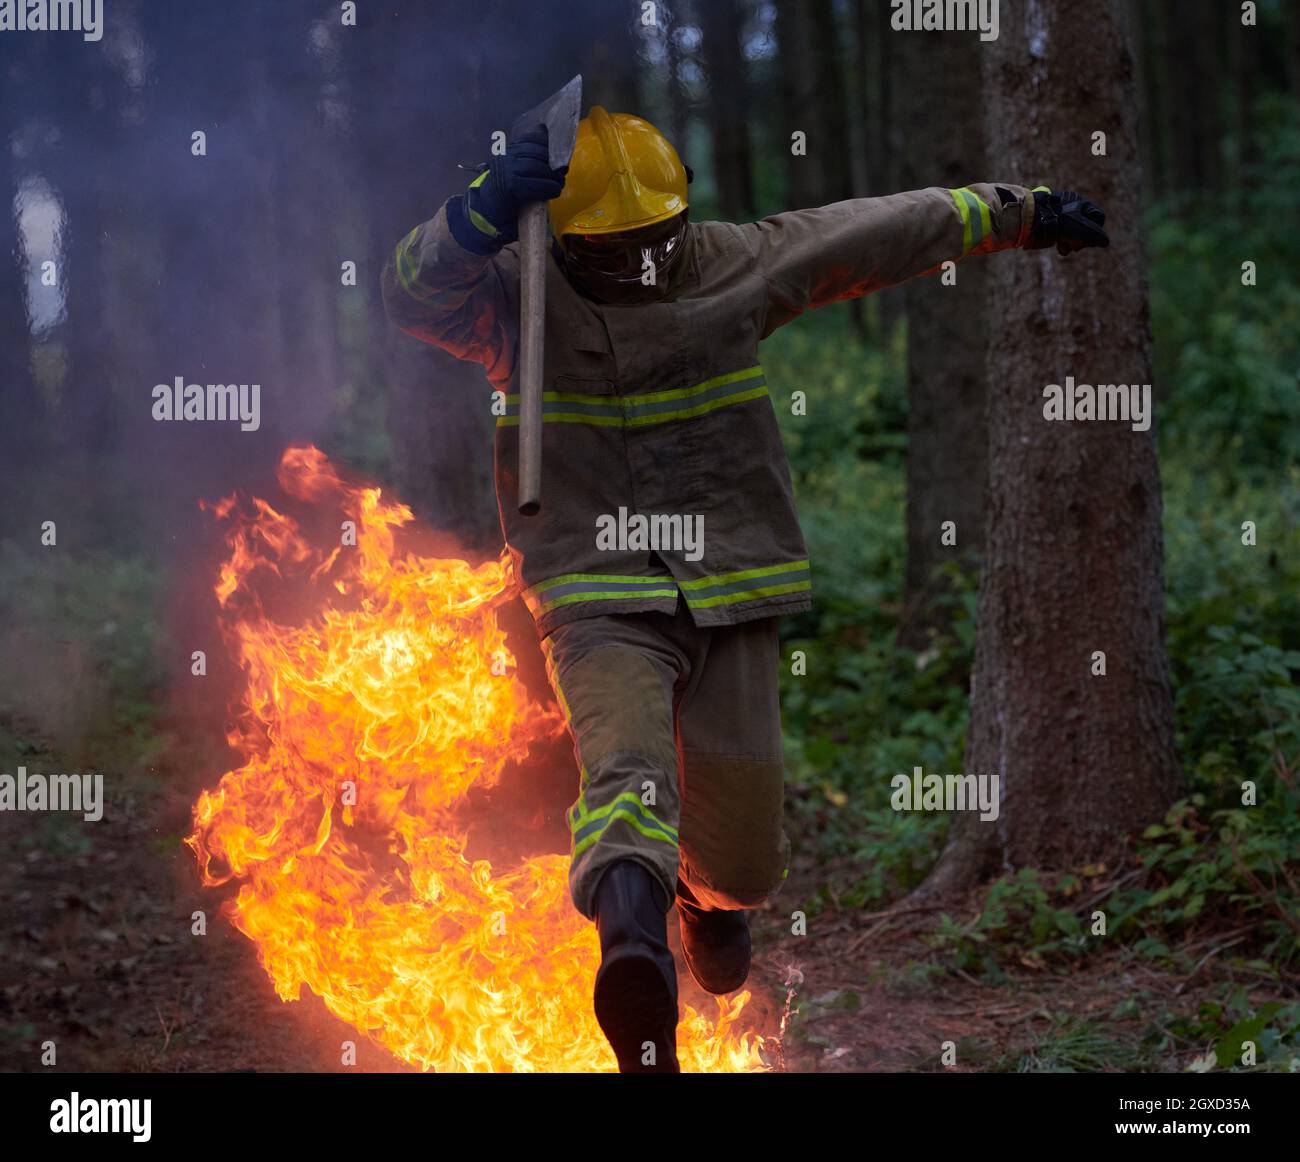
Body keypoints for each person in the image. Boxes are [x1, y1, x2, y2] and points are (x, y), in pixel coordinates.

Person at [382, 106, 1108, 1072]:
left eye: (656, 240)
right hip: (596, 596)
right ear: (564, 237)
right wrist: (480, 210)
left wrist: (1018, 212)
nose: (642, 259)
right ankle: (634, 965)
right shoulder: (514, 297)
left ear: (682, 217)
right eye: (616, 248)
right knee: (626, 774)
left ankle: (697, 906)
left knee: (743, 870)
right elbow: (408, 294)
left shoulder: (733, 262)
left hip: (732, 588)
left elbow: (879, 232)